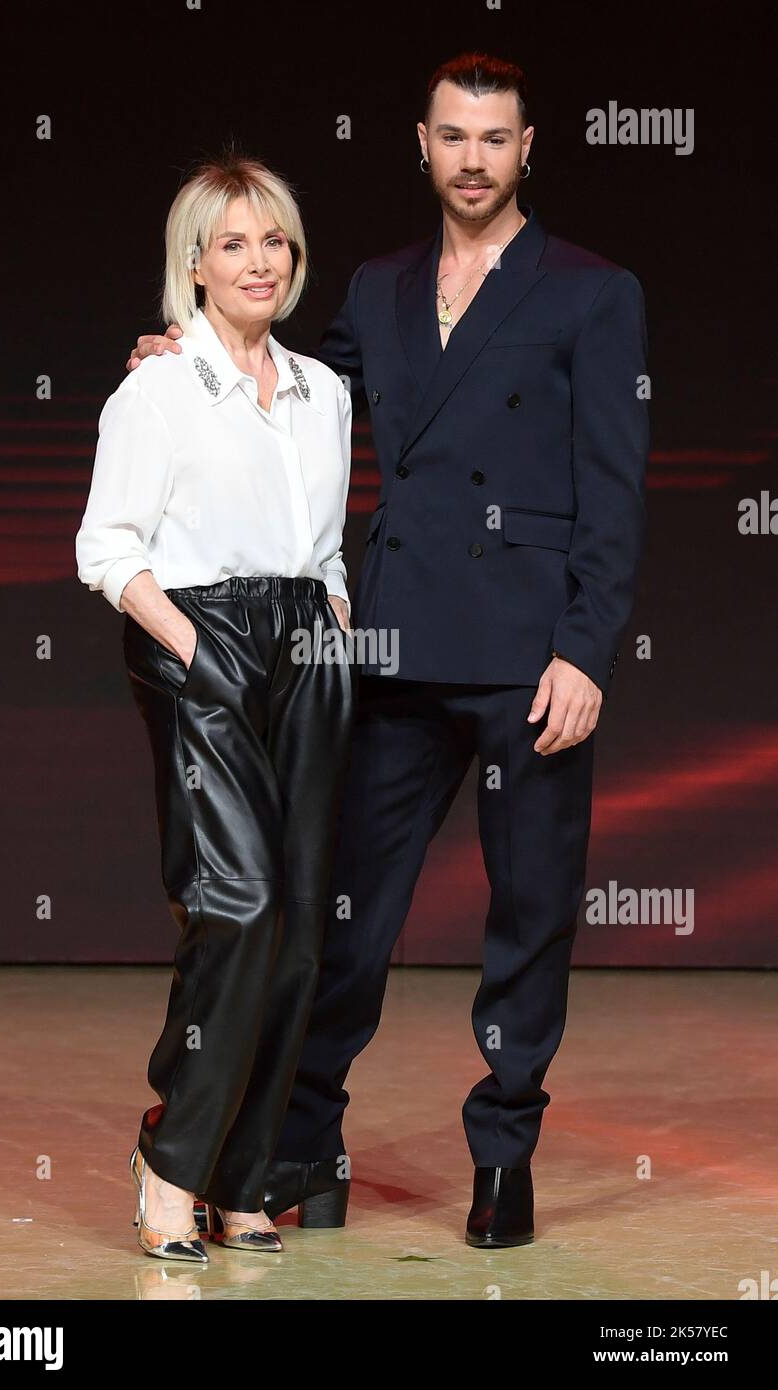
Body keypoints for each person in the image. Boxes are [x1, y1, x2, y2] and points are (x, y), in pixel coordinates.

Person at [127, 51, 649, 1248]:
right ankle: (298, 1145)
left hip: (530, 665)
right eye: (453, 137)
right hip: (396, 648)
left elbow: (614, 492)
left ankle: (502, 1155)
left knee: (526, 919)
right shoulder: (375, 286)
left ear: (528, 149)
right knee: (341, 917)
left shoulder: (590, 291)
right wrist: (191, 350)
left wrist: (585, 648)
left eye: (495, 138)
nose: (473, 159)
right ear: (420, 144)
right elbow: (300, 390)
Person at [76, 156, 354, 1259]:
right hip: (197, 639)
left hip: (306, 643)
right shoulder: (156, 386)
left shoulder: (324, 391)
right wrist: (201, 652)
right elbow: (106, 548)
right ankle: (169, 1155)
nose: (257, 261)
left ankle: (245, 1177)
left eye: (273, 241)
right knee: (235, 908)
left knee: (295, 932)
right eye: (231, 243)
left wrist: (328, 619)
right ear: (191, 265)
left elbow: (325, 542)